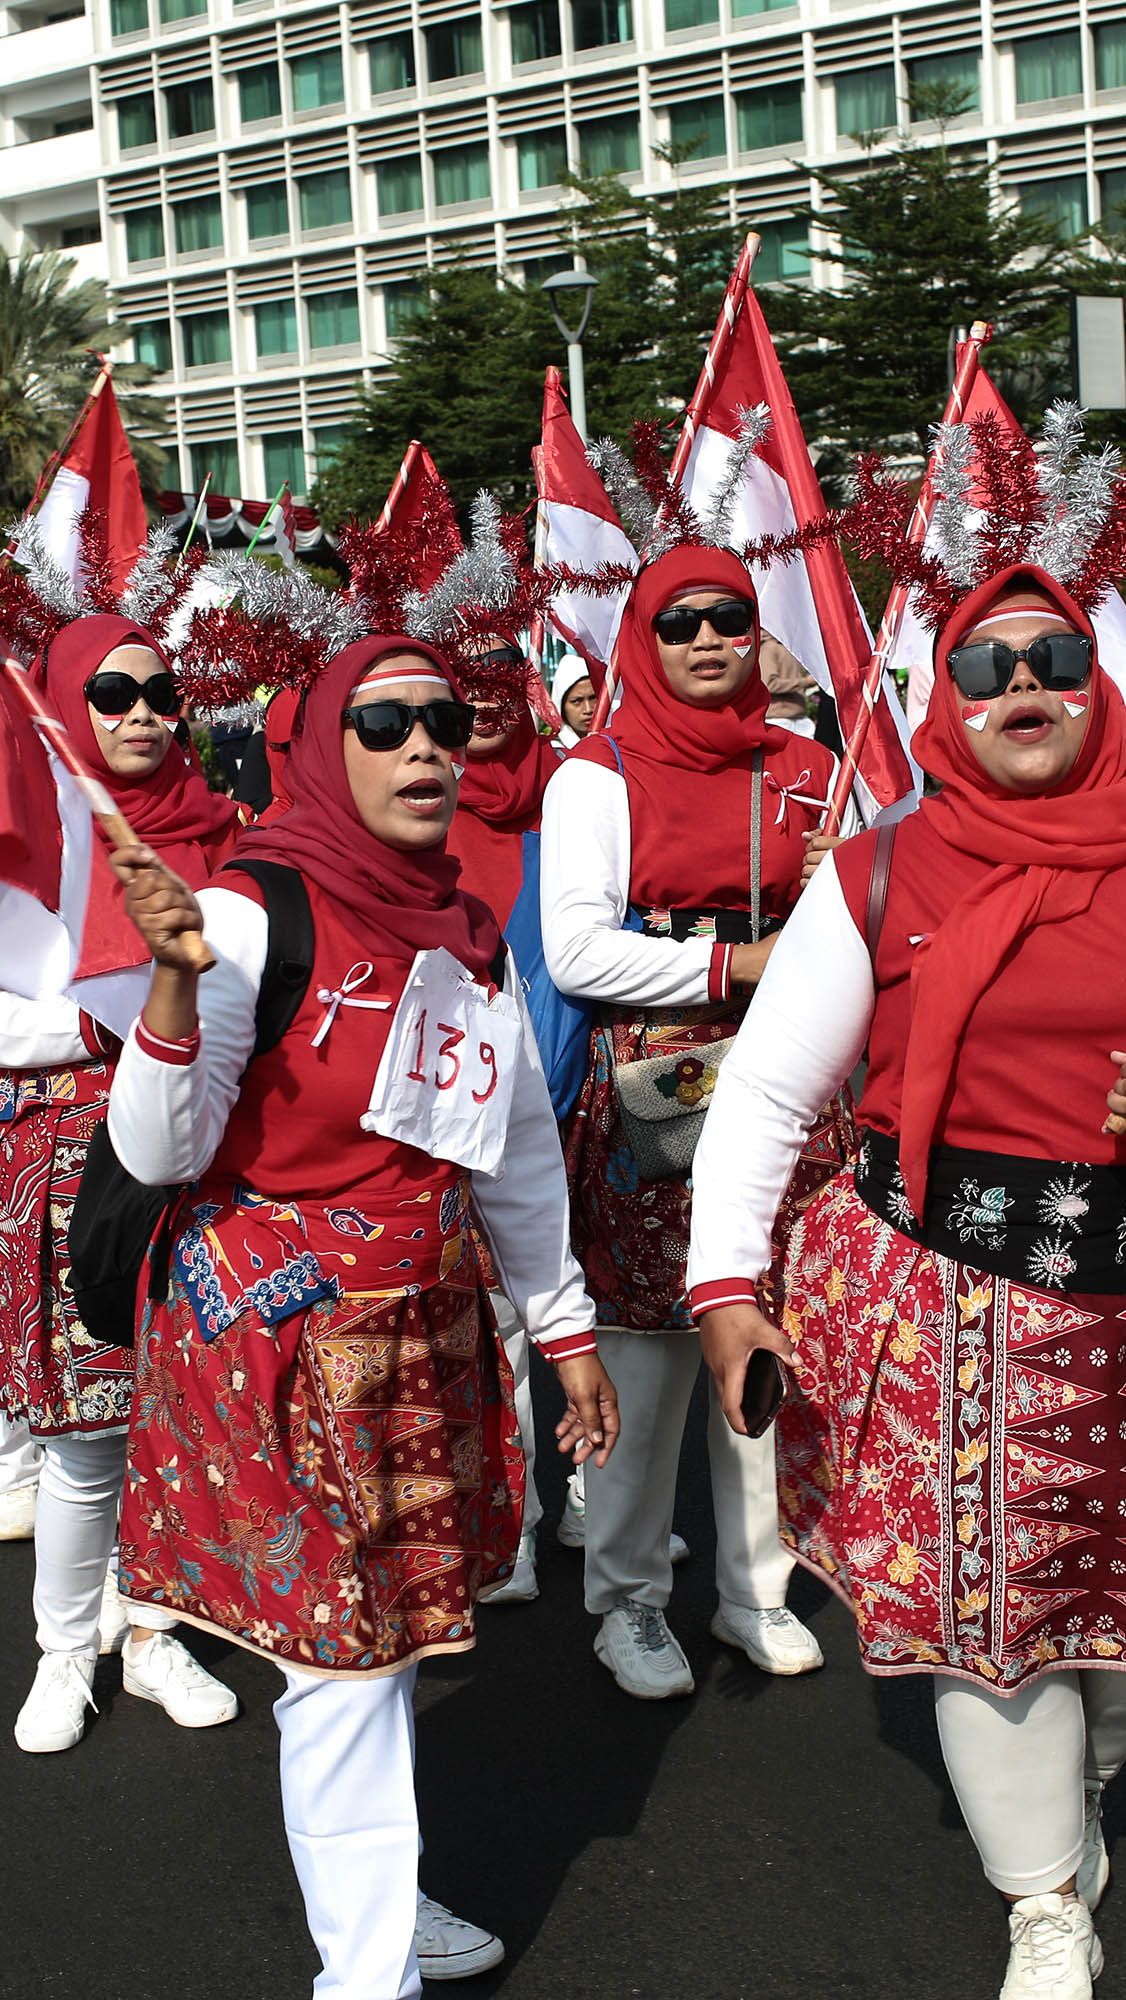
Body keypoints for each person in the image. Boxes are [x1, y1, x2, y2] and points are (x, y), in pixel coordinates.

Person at [106, 634, 619, 1999]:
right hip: (280, 1340)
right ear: (321, 746)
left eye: (445, 721)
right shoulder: (255, 912)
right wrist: (168, 986)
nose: (426, 750)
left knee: (383, 1636)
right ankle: (366, 1971)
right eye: (385, 724)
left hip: (422, 1335)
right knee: (339, 1662)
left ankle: (377, 1898)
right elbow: (161, 1152)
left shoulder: (461, 929)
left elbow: (507, 1151)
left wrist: (562, 1332)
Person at [689, 562, 1126, 1998]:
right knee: (991, 1630)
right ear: (944, 700)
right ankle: (1042, 1902)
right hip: (957, 1307)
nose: (1022, 689)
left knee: (1101, 1623)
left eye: (1050, 657)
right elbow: (759, 1097)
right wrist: (724, 1284)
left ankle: (1092, 1762)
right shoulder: (886, 866)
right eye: (986, 667)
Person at [540, 542, 857, 1700]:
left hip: (789, 1087)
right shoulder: (598, 770)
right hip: (654, 1092)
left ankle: (753, 1589)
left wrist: (848, 880)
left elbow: (879, 920)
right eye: (680, 622)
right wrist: (740, 957)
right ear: (643, 640)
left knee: (769, 1341)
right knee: (644, 1351)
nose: (710, 638)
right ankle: (626, 1599)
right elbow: (574, 947)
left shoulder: (816, 763)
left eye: (731, 614)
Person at [0, 614, 240, 1752]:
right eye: (109, 693)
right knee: (88, 1434)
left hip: (201, 1154)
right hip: (68, 1157)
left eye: (160, 690)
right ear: (62, 704)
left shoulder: (228, 834)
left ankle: (150, 1631)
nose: (142, 712)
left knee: (180, 1415)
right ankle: (60, 1651)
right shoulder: (25, 841)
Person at [551, 654, 597, 748]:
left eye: (593, 698)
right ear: (561, 706)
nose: (588, 710)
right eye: (576, 701)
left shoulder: (617, 747)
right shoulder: (553, 753)